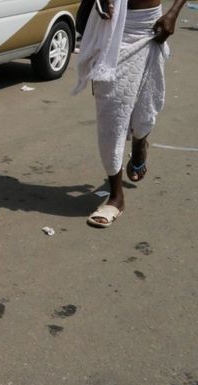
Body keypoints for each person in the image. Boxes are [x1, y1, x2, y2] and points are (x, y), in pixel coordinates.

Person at [74, 0, 187, 227]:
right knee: (111, 116)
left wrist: (173, 12)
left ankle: (139, 144)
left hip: (151, 26)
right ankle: (116, 197)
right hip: (113, 28)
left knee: (146, 109)